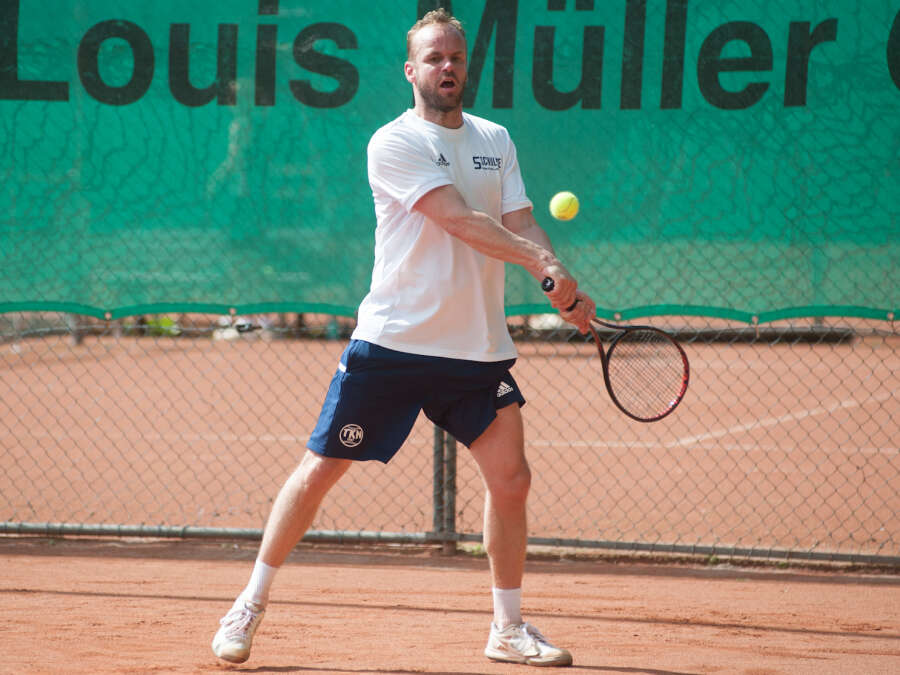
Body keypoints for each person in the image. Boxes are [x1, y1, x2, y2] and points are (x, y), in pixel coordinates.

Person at [212, 7, 596, 668]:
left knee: (512, 477)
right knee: (321, 470)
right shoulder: (394, 143)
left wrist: (560, 277)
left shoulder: (495, 138)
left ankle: (507, 627)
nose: (448, 67)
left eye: (456, 57)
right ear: (411, 70)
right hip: (394, 342)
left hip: (475, 346)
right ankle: (248, 602)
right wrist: (538, 263)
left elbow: (521, 220)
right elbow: (458, 219)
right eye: (435, 58)